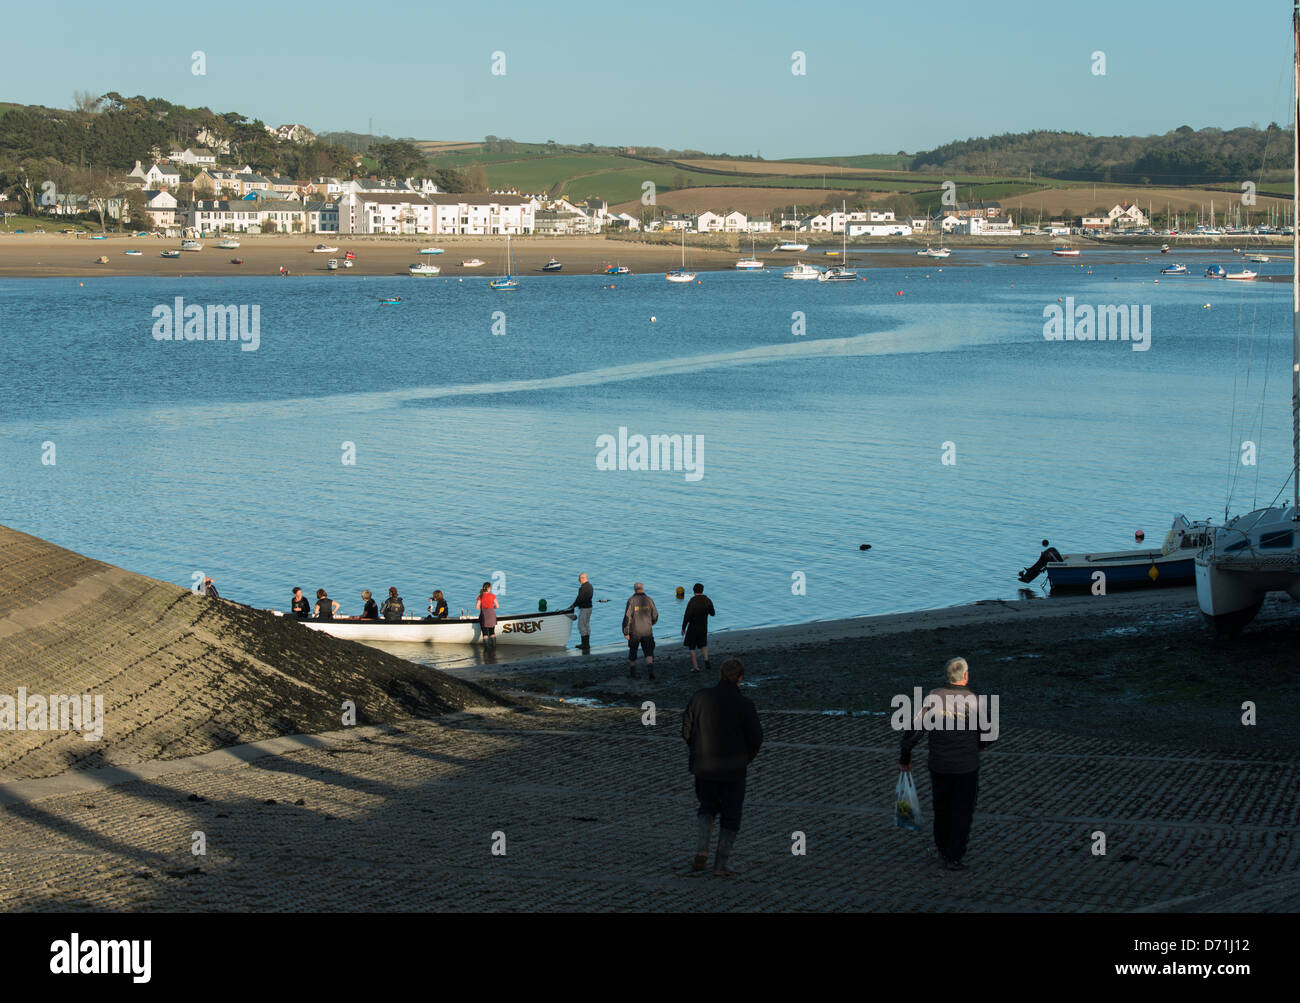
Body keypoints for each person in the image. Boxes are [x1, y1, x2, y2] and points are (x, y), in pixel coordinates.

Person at [899, 657, 997, 872]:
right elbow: (989, 734)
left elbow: (914, 731)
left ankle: (943, 849)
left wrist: (905, 757)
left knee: (941, 807)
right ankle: (954, 855)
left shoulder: (933, 697)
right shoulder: (974, 700)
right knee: (962, 810)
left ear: (947, 676)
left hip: (940, 764)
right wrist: (978, 746)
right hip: (967, 765)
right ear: (966, 676)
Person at [682, 658, 762, 877]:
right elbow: (756, 738)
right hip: (733, 767)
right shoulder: (745, 705)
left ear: (720, 675)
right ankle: (720, 863)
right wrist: (746, 758)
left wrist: (696, 749)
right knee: (731, 814)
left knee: (706, 806)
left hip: (704, 765)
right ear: (740, 678)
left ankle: (702, 849)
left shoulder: (700, 697)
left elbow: (686, 730)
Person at [622, 582, 658, 679]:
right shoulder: (649, 600)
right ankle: (650, 672)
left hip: (635, 631)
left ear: (634, 590)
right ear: (643, 589)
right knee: (649, 652)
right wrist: (651, 623)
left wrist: (625, 631)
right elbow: (655, 615)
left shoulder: (631, 600)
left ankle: (633, 673)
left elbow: (627, 617)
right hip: (647, 631)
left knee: (633, 651)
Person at [681, 583, 715, 673]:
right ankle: (706, 660)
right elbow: (713, 613)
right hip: (703, 626)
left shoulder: (692, 601)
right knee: (703, 644)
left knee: (692, 647)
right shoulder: (707, 600)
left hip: (693, 627)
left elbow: (687, 615)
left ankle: (696, 667)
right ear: (702, 590)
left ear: (693, 591)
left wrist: (683, 628)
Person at [567, 573, 594, 650]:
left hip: (584, 609)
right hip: (589, 608)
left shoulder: (583, 588)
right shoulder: (590, 586)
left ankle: (584, 644)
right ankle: (587, 643)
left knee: (581, 625)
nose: (579, 581)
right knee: (587, 625)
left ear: (582, 578)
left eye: (579, 579)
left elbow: (580, 598)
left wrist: (573, 605)